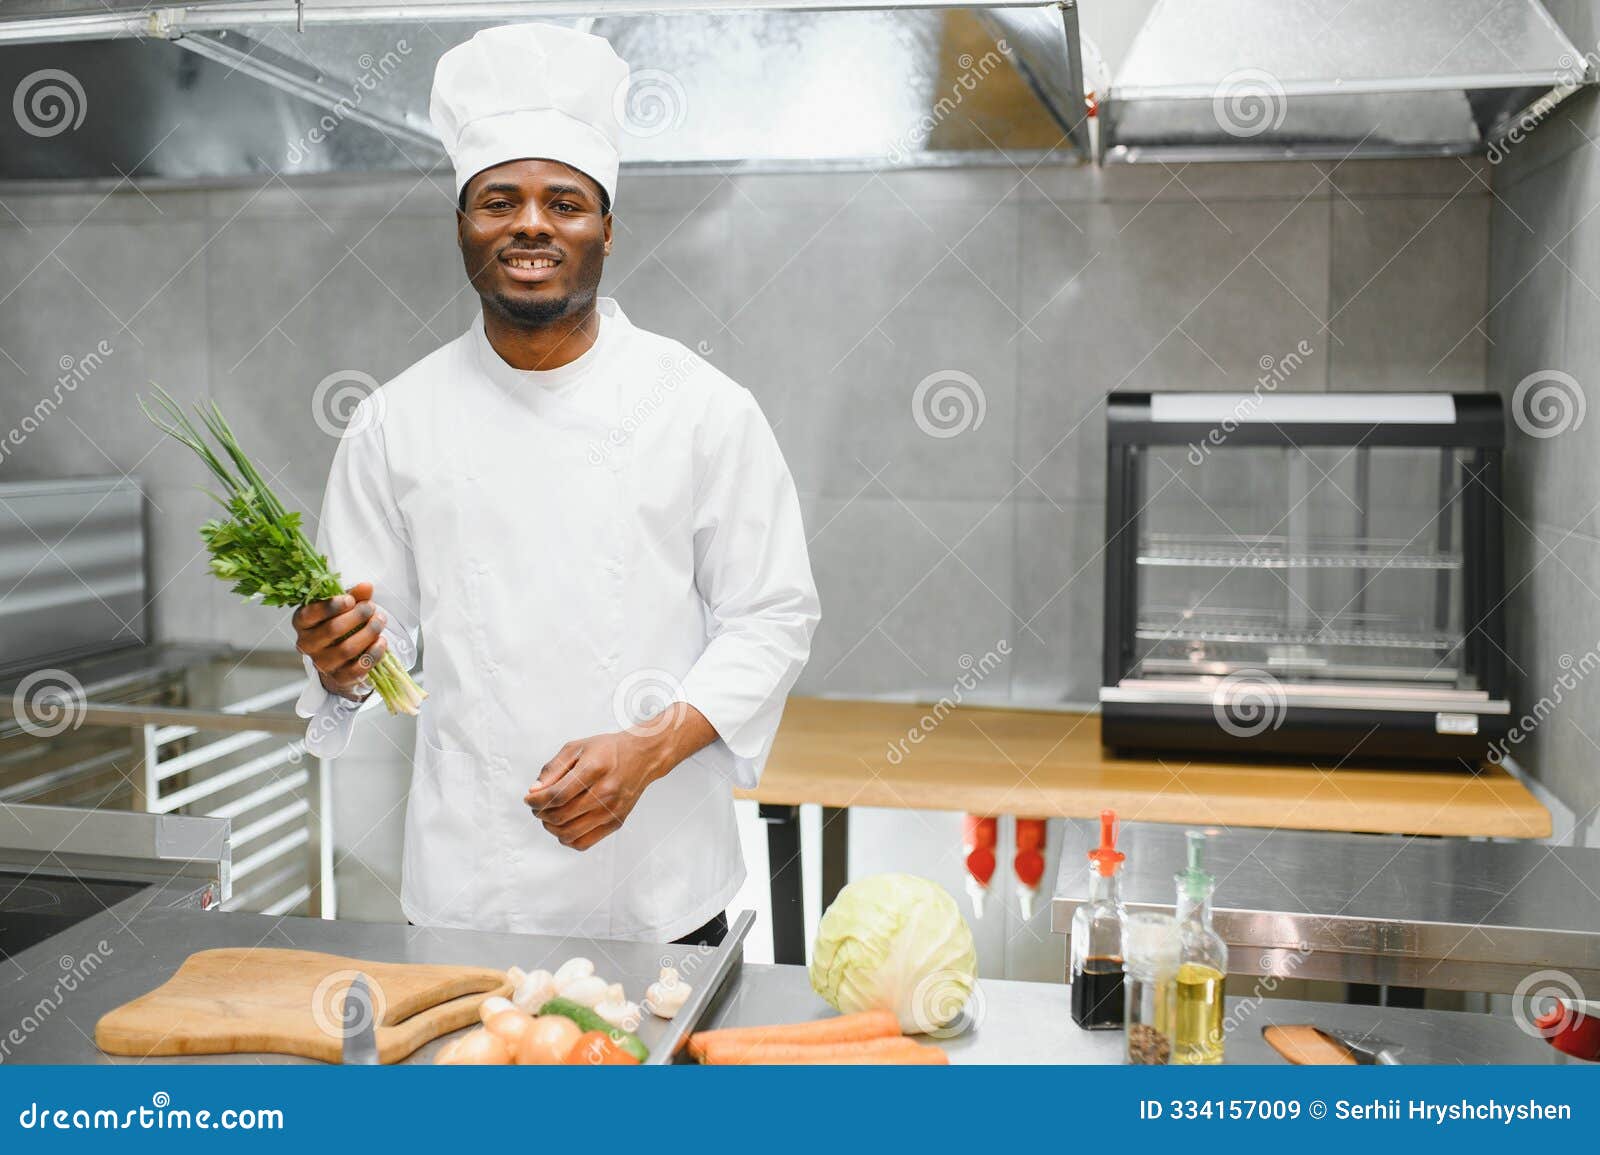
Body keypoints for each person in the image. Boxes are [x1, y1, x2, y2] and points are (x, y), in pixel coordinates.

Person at [290, 23, 819, 946]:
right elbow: (384, 644)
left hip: (659, 888)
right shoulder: (391, 423)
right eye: (498, 199)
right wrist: (342, 659)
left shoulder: (699, 406)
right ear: (462, 224)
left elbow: (772, 616)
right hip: (466, 890)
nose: (531, 222)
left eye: (565, 201)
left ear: (607, 227)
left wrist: (651, 747)